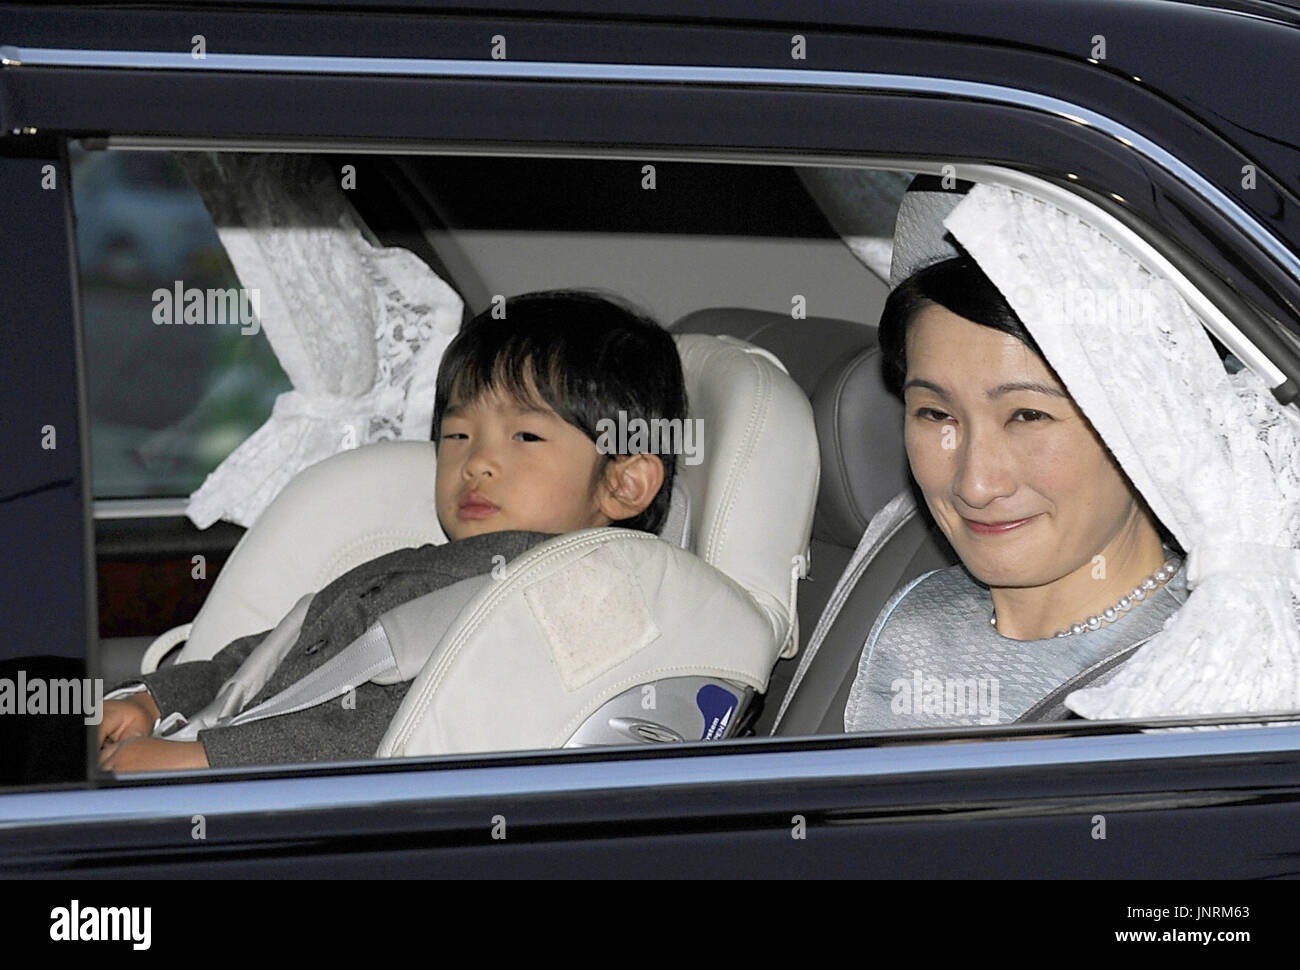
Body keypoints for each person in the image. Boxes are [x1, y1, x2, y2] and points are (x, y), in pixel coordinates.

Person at [98, 289, 687, 770]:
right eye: (457, 436)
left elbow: (406, 733)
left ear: (625, 482)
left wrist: (207, 761)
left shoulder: (580, 603)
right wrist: (157, 698)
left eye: (525, 437)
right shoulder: (420, 565)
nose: (475, 462)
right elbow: (267, 661)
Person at [844, 182, 1191, 730]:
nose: (976, 484)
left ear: (1144, 421)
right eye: (936, 414)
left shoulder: (1209, 678)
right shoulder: (917, 619)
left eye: (1028, 416)